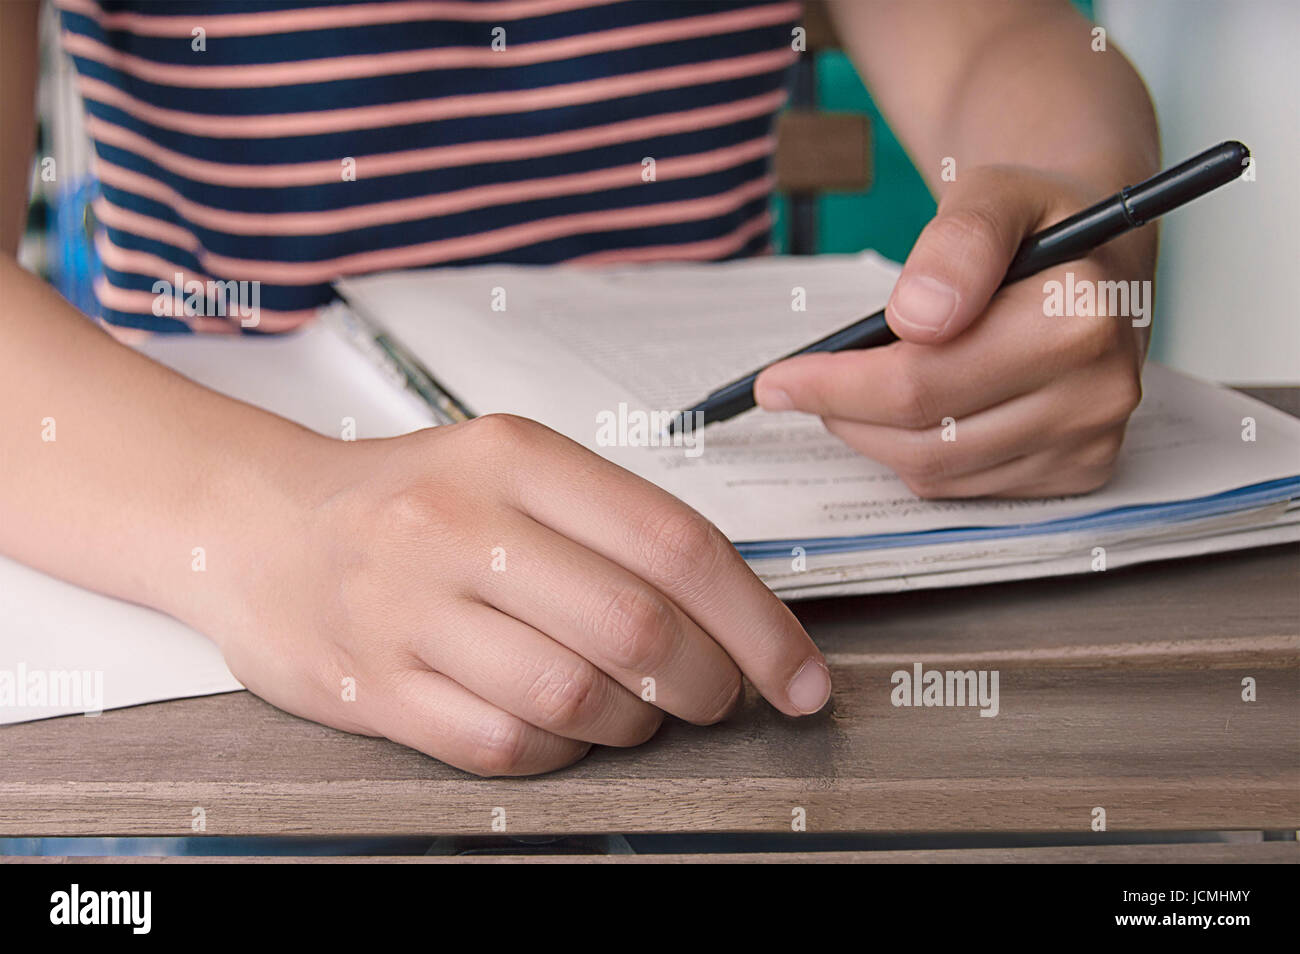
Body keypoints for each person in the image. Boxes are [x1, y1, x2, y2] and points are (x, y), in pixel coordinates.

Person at [0, 0, 1157, 775]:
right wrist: (266, 529)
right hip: (201, 546)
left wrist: (1078, 221)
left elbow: (1001, 31)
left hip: (731, 549)